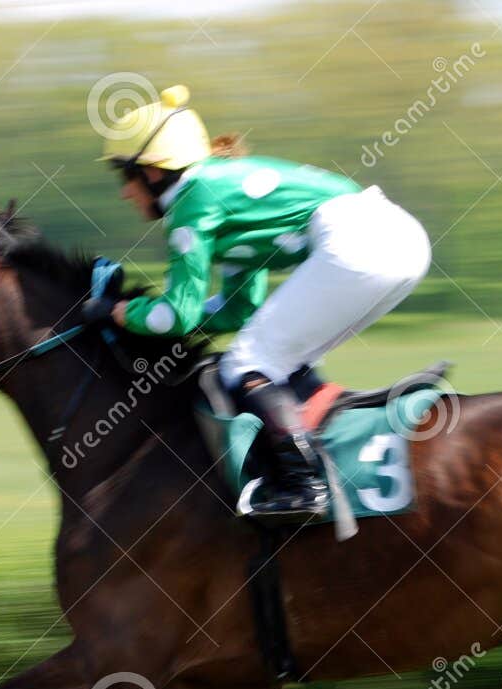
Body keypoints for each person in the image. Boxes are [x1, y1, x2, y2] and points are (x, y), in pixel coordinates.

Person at [87, 84, 432, 524]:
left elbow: (177, 315)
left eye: (124, 176)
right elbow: (237, 309)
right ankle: (317, 442)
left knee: (244, 366)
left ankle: (302, 484)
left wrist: (118, 312)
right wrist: (147, 316)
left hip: (361, 245)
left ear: (153, 172)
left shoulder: (192, 202)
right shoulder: (215, 191)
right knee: (272, 359)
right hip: (397, 240)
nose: (123, 193)